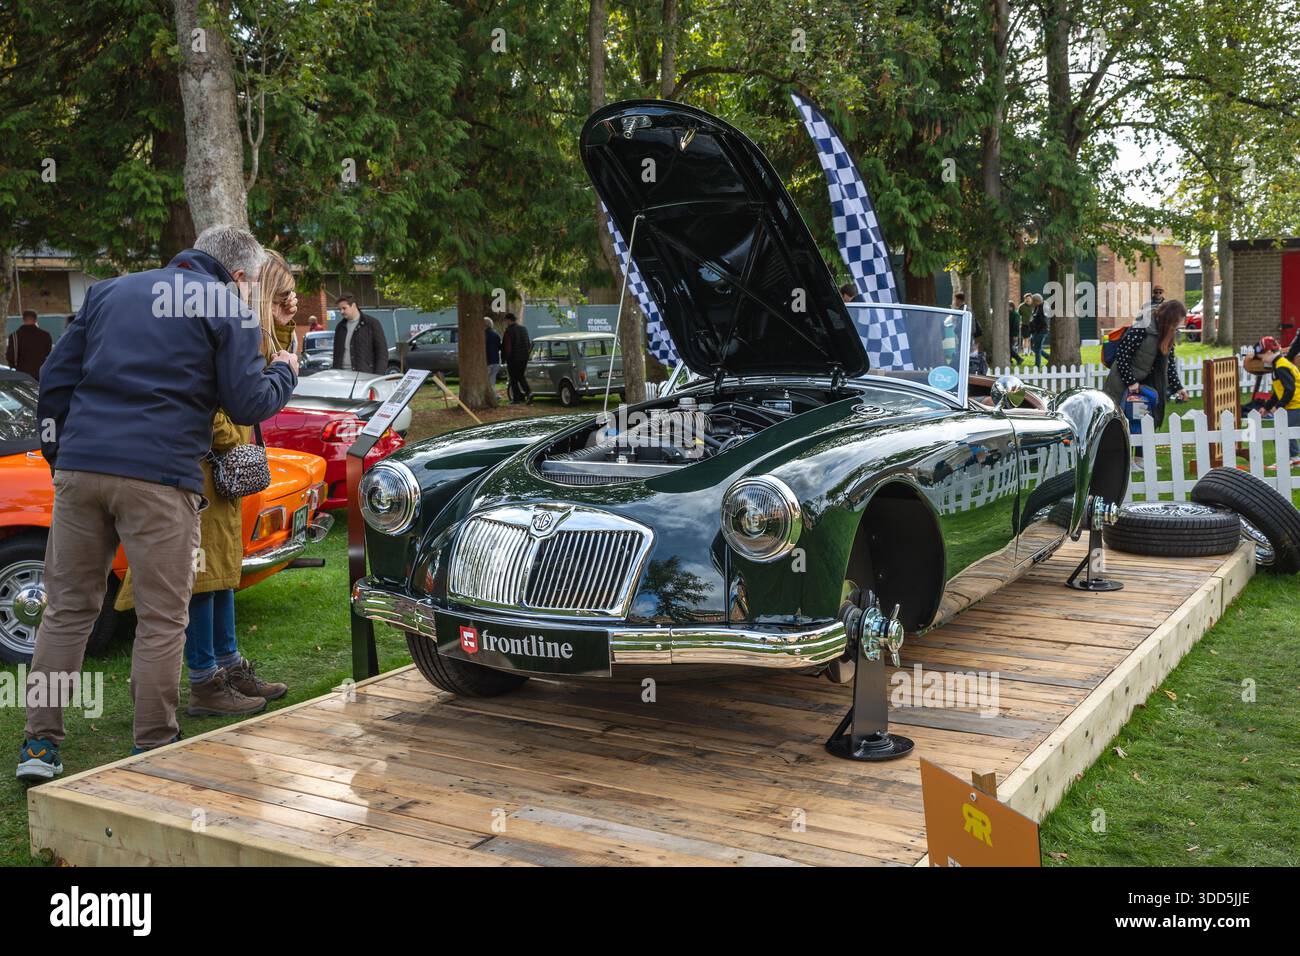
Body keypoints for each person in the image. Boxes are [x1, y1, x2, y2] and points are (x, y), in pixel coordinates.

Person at [18, 225, 298, 780]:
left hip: (82, 468)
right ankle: (153, 743)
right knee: (163, 616)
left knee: (67, 610)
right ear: (238, 275)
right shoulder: (228, 306)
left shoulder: (108, 291)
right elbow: (246, 403)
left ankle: (39, 746)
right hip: (161, 474)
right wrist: (283, 373)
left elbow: (54, 376)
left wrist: (59, 454)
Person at [113, 252, 297, 717]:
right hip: (196, 469)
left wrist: (282, 326)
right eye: (271, 290)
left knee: (221, 573)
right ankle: (205, 680)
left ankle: (229, 666)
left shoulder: (228, 317)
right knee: (198, 578)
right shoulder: (206, 321)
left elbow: (261, 368)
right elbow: (206, 397)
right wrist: (230, 439)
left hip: (217, 474)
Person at [1103, 299, 1190, 470]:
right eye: (1176, 322)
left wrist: (1179, 387)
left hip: (1147, 383)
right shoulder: (1142, 327)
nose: (1177, 327)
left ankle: (1140, 459)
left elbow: (1169, 365)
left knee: (1145, 420)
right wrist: (1131, 381)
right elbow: (1122, 355)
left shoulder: (1168, 333)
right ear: (1169, 318)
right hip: (1123, 382)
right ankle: (1125, 461)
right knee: (1126, 421)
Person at [1260, 343, 1300, 466]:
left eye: (1261, 355)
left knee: (1280, 432)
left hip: (1295, 404)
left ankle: (1284, 461)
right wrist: (1267, 407)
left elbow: (1290, 389)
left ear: (1269, 353)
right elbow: (1279, 391)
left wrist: (1278, 406)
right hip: (1295, 404)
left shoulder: (1281, 367)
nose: (1261, 359)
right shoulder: (1279, 364)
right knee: (1288, 431)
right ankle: (1295, 458)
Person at [331, 293, 388, 374]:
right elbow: (336, 354)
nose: (341, 312)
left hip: (364, 375)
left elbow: (382, 353)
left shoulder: (372, 324)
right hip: (342, 375)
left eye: (344, 308)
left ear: (354, 305)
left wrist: (378, 376)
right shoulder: (340, 327)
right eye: (339, 309)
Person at [5, 309, 53, 381]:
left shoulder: (15, 336)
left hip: (22, 373)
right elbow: (49, 354)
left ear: (23, 319)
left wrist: (13, 366)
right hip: (41, 373)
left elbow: (11, 355)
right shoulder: (45, 335)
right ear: (36, 320)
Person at [502, 312, 532, 404]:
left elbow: (507, 346)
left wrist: (504, 357)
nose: (505, 322)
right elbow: (528, 343)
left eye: (506, 320)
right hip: (524, 357)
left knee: (513, 378)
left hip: (513, 358)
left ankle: (517, 398)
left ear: (509, 320)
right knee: (520, 376)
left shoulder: (509, 331)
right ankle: (526, 393)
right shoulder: (523, 329)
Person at [1029, 294, 1050, 367]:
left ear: (1037, 301)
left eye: (1033, 301)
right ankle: (1048, 357)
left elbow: (1043, 321)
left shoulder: (1043, 308)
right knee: (1034, 347)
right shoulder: (1037, 307)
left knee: (1037, 348)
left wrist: (1035, 325)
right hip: (1035, 331)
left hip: (1040, 331)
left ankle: (1037, 365)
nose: (1032, 303)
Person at [485, 316, 502, 393]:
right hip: (496, 360)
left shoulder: (483, 334)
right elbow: (499, 347)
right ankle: (493, 394)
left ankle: (489, 394)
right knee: (492, 380)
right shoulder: (496, 334)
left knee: (486, 380)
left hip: (487, 361)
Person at [1007, 300, 1023, 366]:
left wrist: (1015, 335)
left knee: (1009, 348)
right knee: (1009, 347)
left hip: (1012, 334)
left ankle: (1019, 358)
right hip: (1008, 333)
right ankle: (1009, 360)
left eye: (1008, 306)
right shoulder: (1009, 314)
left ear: (1011, 307)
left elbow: (1016, 326)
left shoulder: (1015, 314)